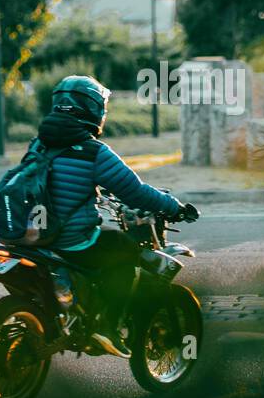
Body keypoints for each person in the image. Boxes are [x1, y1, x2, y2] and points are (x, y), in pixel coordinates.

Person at [35, 75, 198, 358]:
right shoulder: (93, 151)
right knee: (125, 249)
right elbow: (135, 193)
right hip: (72, 240)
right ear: (94, 110)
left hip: (35, 234)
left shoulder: (39, 144)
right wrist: (175, 207)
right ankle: (108, 327)